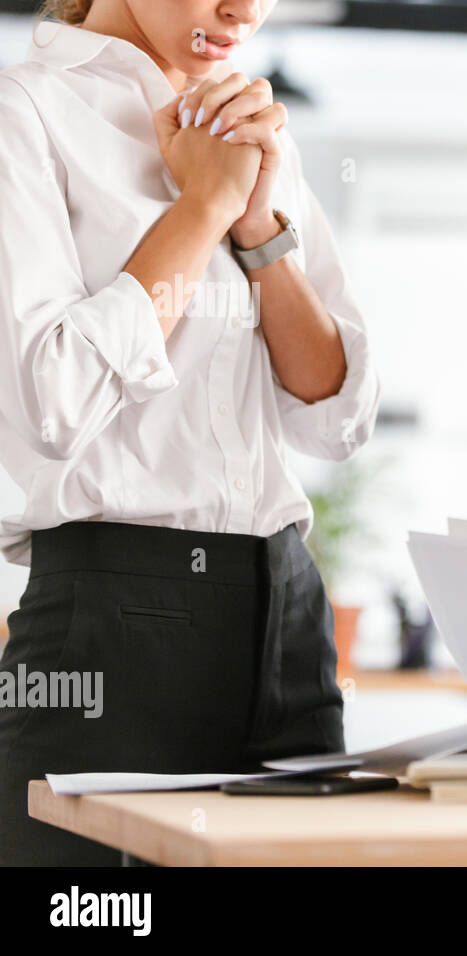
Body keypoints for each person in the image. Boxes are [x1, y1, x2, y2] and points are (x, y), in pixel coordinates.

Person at [0, 0, 380, 864]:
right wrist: (203, 207)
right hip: (108, 626)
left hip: (287, 617)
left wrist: (257, 226)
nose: (244, 8)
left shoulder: (245, 124)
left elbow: (335, 414)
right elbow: (52, 401)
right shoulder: (26, 113)